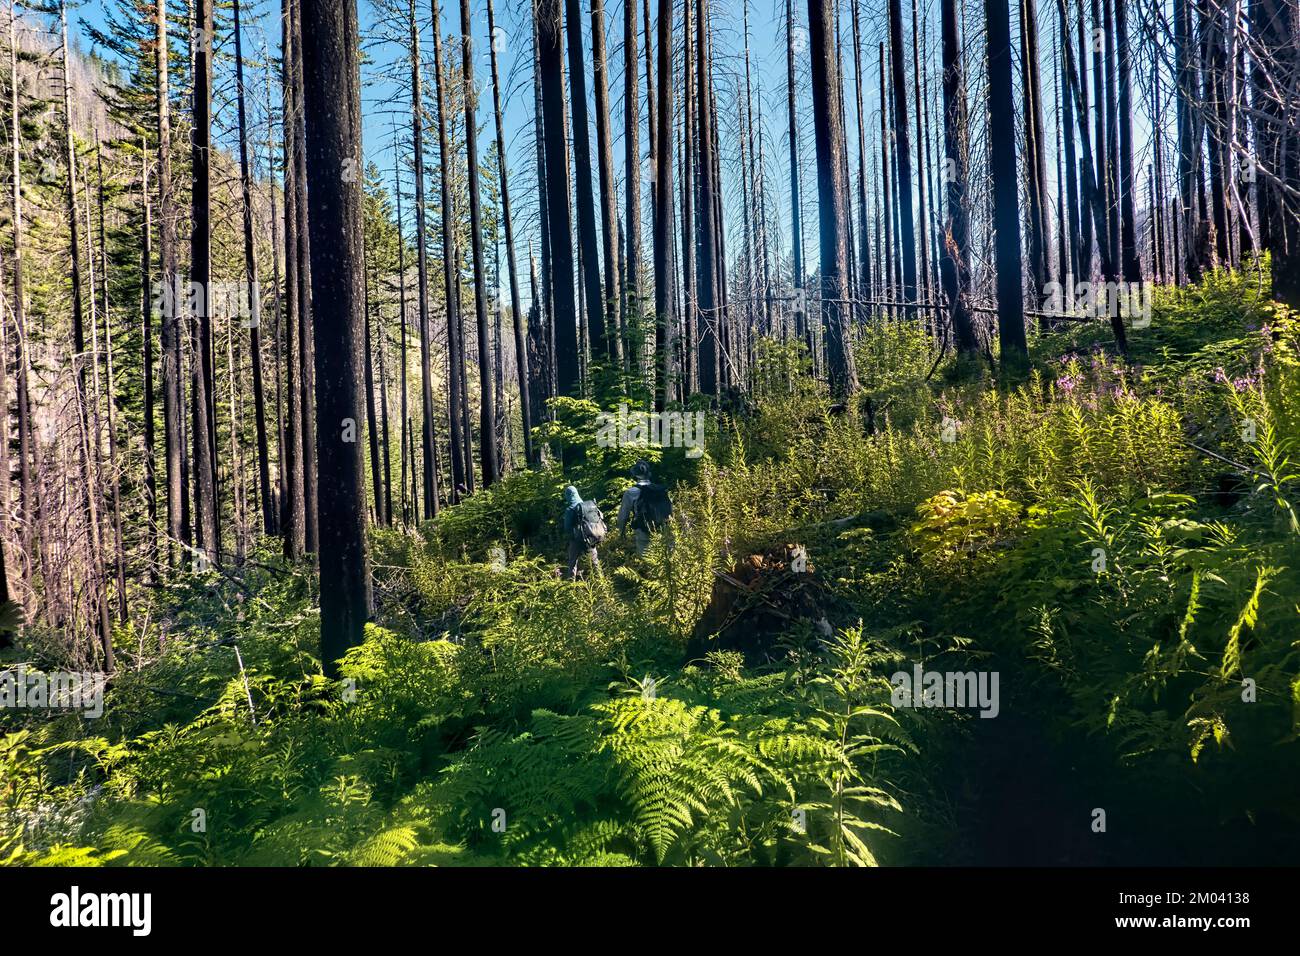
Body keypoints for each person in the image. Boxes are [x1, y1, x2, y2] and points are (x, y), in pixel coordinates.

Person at [616, 460, 672, 556]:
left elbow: (623, 516)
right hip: (663, 529)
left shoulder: (631, 492)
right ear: (649, 474)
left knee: (645, 560)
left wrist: (621, 532)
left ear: (635, 475)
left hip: (643, 530)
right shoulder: (660, 489)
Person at [562, 484, 605, 579]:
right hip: (590, 537)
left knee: (572, 562)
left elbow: (567, 527)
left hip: (576, 539)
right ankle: (601, 581)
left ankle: (570, 585)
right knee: (594, 561)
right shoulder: (588, 506)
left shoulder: (570, 509)